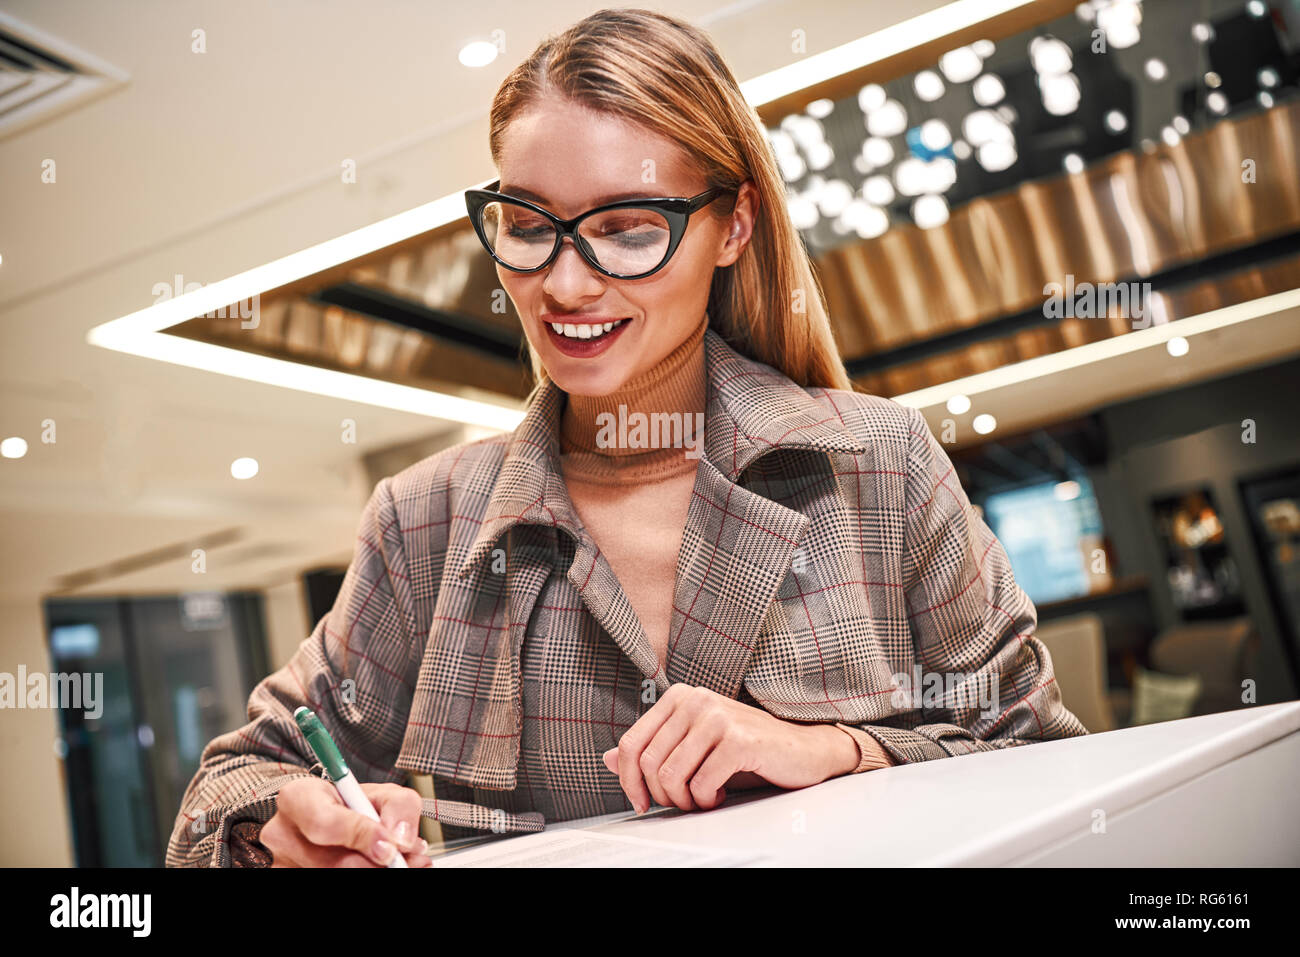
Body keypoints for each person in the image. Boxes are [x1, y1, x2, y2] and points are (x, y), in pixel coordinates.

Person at [166, 8, 1087, 868]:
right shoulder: (425, 526)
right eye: (528, 225)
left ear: (734, 225)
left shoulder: (876, 462)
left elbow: (1043, 756)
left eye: (628, 228)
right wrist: (285, 824)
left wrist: (838, 751)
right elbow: (226, 788)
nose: (565, 283)